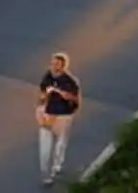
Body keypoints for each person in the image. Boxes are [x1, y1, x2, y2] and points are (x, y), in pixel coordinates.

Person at [37, 52, 81, 186]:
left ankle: (57, 165)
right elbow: (42, 93)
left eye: (57, 64)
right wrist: (44, 97)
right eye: (53, 63)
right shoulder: (48, 76)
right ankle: (47, 176)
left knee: (60, 143)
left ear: (63, 66)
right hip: (49, 114)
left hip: (64, 115)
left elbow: (74, 98)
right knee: (46, 148)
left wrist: (62, 94)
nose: (54, 66)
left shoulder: (70, 81)